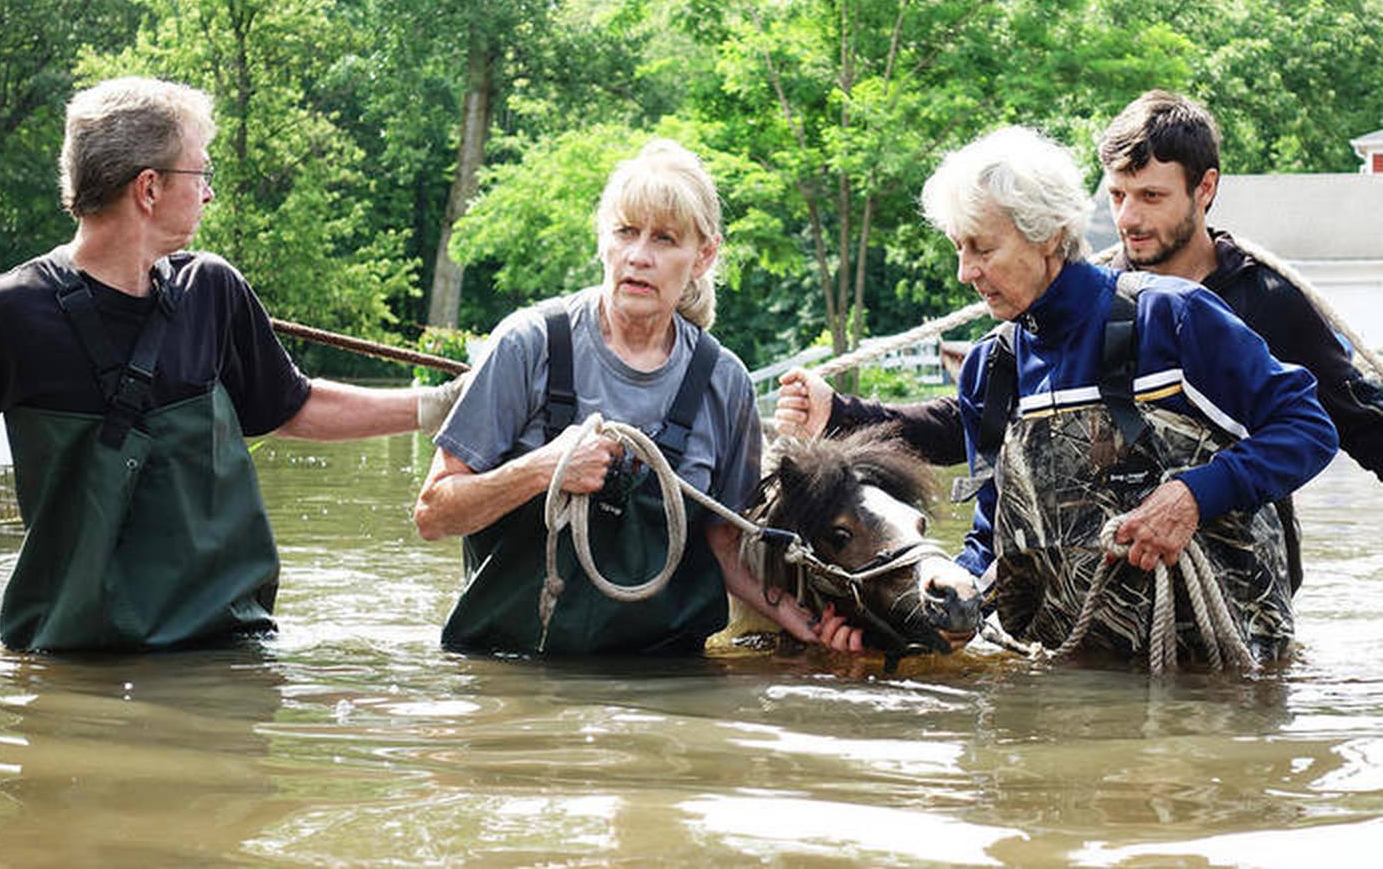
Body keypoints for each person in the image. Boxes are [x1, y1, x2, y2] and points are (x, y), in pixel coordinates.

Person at [0, 77, 460, 652]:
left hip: (227, 645)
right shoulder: (8, 310)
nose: (209, 195)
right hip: (72, 648)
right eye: (201, 175)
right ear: (149, 187)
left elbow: (292, 406)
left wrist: (438, 406)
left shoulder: (213, 292)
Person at [776, 90, 1383, 483]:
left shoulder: (1265, 301)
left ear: (1204, 189)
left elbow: (1350, 423)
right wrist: (842, 413)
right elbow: (975, 420)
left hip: (1229, 570)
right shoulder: (1090, 296)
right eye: (1117, 196)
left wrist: (1198, 496)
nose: (1128, 219)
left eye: (1151, 197)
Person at [919, 126, 1335, 660]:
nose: (964, 272)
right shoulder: (988, 369)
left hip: (1217, 676)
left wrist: (1193, 495)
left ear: (1047, 235)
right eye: (959, 249)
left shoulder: (1174, 317)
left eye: (982, 249)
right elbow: (990, 536)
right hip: (1060, 682)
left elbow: (1308, 428)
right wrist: (960, 588)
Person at [414, 139, 835, 655]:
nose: (639, 256)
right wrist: (544, 470)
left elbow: (727, 548)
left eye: (664, 239)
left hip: (664, 682)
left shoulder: (725, 382)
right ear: (602, 241)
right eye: (625, 232)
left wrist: (813, 629)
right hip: (513, 672)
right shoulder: (529, 344)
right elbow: (433, 514)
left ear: (704, 255)